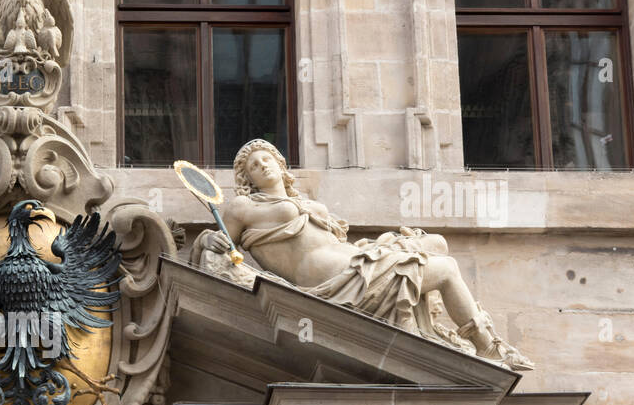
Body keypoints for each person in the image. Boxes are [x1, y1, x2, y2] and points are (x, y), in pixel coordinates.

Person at [199, 139, 532, 369]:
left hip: (354, 256)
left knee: (437, 244)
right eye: (254, 166)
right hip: (333, 276)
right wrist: (203, 241)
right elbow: (220, 240)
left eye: (266, 159)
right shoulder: (244, 206)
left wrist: (375, 246)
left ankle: (477, 342)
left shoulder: (306, 202)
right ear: (249, 178)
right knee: (445, 269)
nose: (262, 165)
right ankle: (487, 346)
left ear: (279, 163)